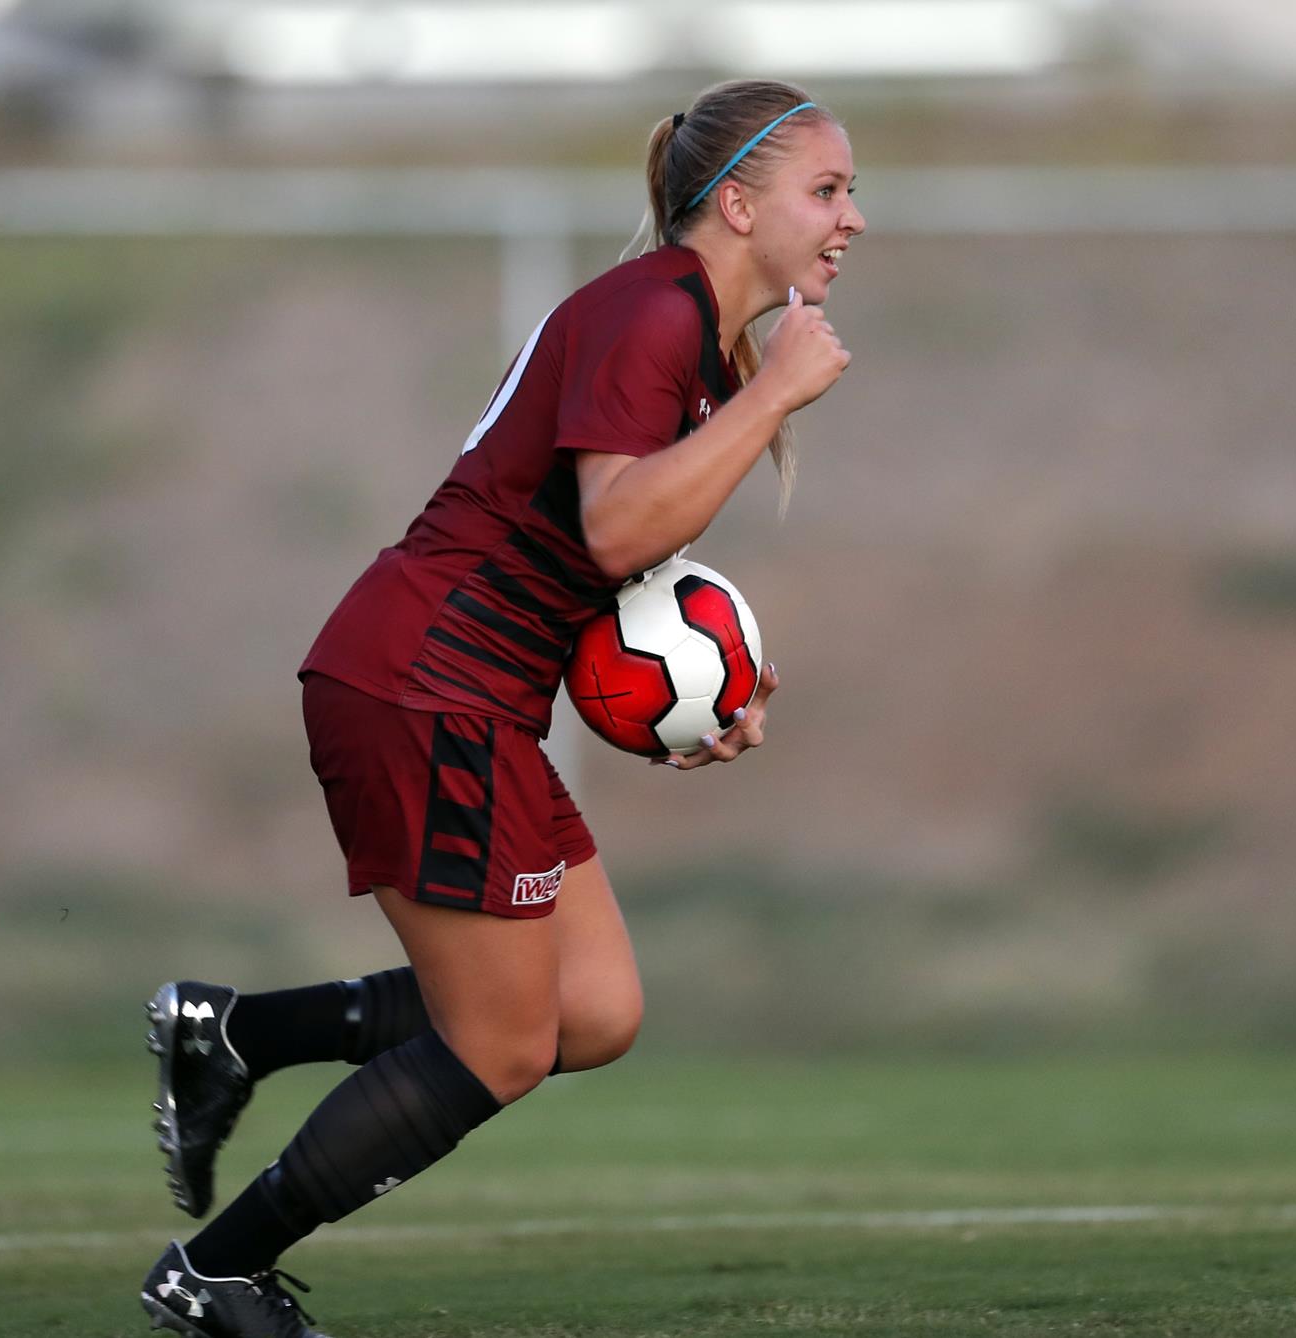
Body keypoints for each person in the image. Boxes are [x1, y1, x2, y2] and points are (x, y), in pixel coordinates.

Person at [135, 78, 863, 1338]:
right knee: (504, 1044)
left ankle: (233, 1032)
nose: (851, 218)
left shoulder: (696, 336)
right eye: (828, 190)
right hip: (421, 687)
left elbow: (597, 563)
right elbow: (618, 521)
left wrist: (704, 687)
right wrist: (774, 398)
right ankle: (216, 1273)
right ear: (737, 204)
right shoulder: (655, 317)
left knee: (593, 1011)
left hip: (467, 697)